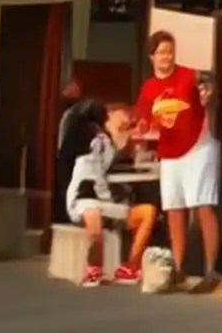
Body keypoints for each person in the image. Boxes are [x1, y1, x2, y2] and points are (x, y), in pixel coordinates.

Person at [134, 30, 221, 293]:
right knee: (173, 209)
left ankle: (211, 269)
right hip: (169, 153)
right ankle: (179, 269)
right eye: (161, 52)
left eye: (170, 51)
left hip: (198, 148)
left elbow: (207, 82)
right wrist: (139, 126)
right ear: (151, 56)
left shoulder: (187, 76)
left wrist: (206, 92)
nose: (167, 57)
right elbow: (144, 118)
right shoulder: (149, 87)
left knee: (202, 206)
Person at [62, 100, 158, 287]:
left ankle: (130, 266)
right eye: (122, 113)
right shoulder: (90, 136)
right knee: (93, 217)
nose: (127, 118)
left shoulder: (115, 145)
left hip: (108, 200)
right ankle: (93, 269)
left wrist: (134, 135)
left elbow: (124, 149)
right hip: (85, 197)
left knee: (148, 212)